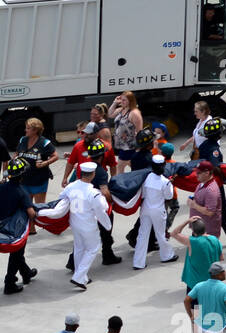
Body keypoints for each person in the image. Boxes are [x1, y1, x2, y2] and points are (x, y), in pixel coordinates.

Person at [62, 162, 112, 291]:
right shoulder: (93, 193)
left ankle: (82, 277)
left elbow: (62, 199)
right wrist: (107, 225)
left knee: (79, 248)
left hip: (74, 222)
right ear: (93, 174)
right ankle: (78, 277)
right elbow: (101, 211)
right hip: (88, 225)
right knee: (92, 249)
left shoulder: (71, 186)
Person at [133, 155, 177, 270]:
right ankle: (166, 256)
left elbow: (142, 194)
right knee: (160, 234)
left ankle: (138, 262)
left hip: (145, 209)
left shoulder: (146, 177)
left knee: (142, 235)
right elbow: (169, 196)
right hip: (158, 210)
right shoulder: (165, 182)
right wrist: (171, 183)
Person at [171, 218, 223, 292]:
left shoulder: (192, 242)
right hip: (213, 282)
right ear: (205, 228)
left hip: (196, 283)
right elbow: (221, 258)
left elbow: (174, 233)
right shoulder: (215, 240)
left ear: (193, 231)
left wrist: (187, 221)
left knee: (196, 303)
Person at [15, 117, 57, 205]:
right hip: (24, 180)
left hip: (39, 181)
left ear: (35, 130)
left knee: (39, 207)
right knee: (26, 207)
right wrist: (14, 161)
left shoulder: (44, 142)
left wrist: (45, 163)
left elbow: (55, 156)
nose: (25, 130)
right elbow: (17, 153)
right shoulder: (23, 140)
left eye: (28, 128)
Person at [108, 90, 142, 171]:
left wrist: (139, 148)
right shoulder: (121, 110)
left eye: (124, 100)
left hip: (129, 146)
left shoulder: (134, 113)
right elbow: (110, 114)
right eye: (121, 99)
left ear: (130, 101)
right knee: (133, 166)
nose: (121, 102)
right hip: (121, 145)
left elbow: (139, 131)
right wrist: (115, 102)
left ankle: (120, 182)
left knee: (120, 167)